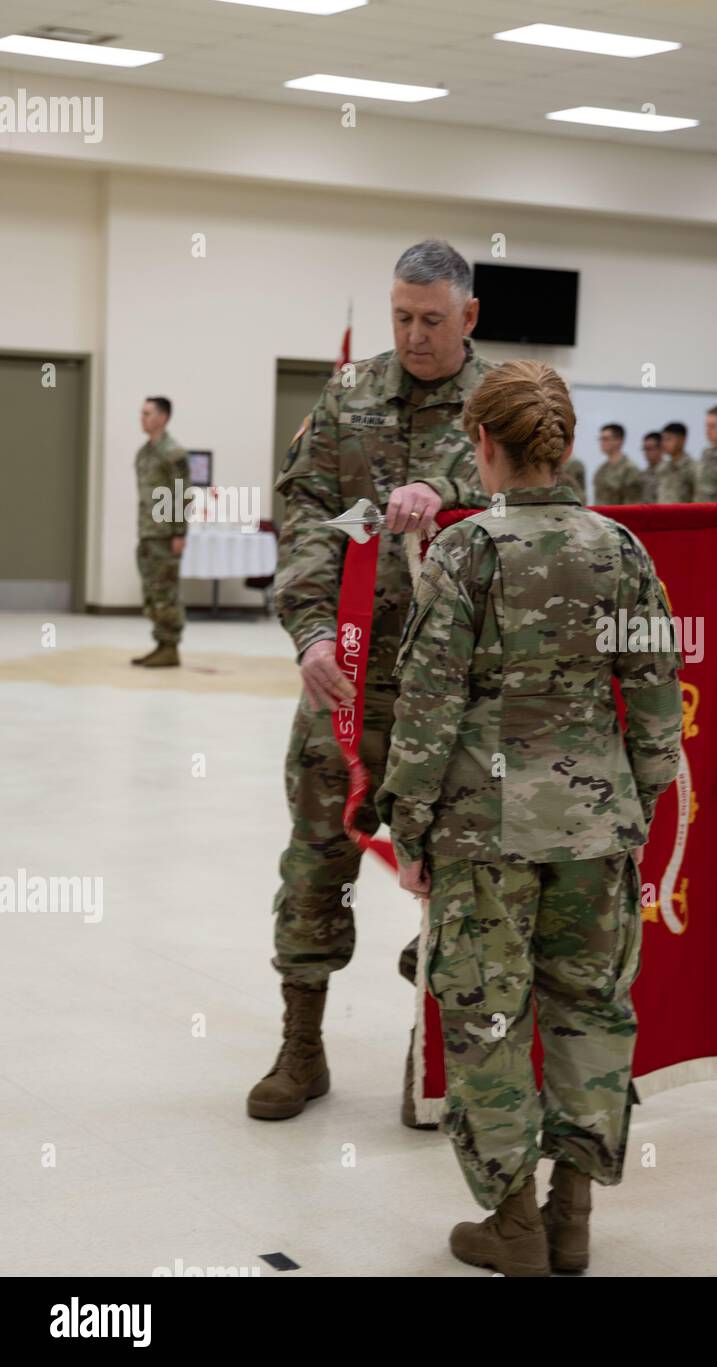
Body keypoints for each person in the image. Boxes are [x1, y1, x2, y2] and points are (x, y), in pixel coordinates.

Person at [377, 360, 683, 1277]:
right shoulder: (621, 549)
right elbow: (657, 695)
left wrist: (409, 825)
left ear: (484, 446)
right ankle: (573, 1212)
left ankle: (511, 1224)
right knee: (592, 1006)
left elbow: (426, 704)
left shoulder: (466, 551)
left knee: (490, 1019)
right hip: (597, 823)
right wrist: (639, 800)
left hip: (485, 825)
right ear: (567, 444)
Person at [249, 238, 491, 1129]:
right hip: (346, 681)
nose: (414, 335)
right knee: (316, 864)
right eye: (401, 316)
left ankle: (436, 1053)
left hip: (459, 694)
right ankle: (301, 1047)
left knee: (463, 880)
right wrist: (311, 632)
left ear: (469, 316)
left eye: (432, 319)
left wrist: (444, 479)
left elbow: (541, 496)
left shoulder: (504, 403)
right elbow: (306, 506)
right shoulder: (350, 394)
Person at [131, 397, 189, 668]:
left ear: (163, 418)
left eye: (147, 413)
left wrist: (179, 533)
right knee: (152, 591)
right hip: (147, 531)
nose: (142, 418)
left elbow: (181, 495)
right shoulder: (144, 453)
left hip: (166, 534)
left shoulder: (173, 453)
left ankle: (170, 646)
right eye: (141, 413)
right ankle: (160, 643)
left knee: (166, 591)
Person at [592, 422, 645, 505]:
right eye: (601, 439)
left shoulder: (630, 469)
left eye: (605, 439)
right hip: (599, 516)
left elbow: (633, 505)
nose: (602, 442)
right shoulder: (601, 470)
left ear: (618, 440)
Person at [656, 422, 696, 503]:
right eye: (663, 439)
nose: (664, 443)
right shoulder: (662, 468)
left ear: (682, 440)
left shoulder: (693, 468)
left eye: (669, 439)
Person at [641, 431, 664, 501]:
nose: (646, 452)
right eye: (644, 449)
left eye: (650, 448)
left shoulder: (671, 472)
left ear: (661, 449)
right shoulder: (642, 475)